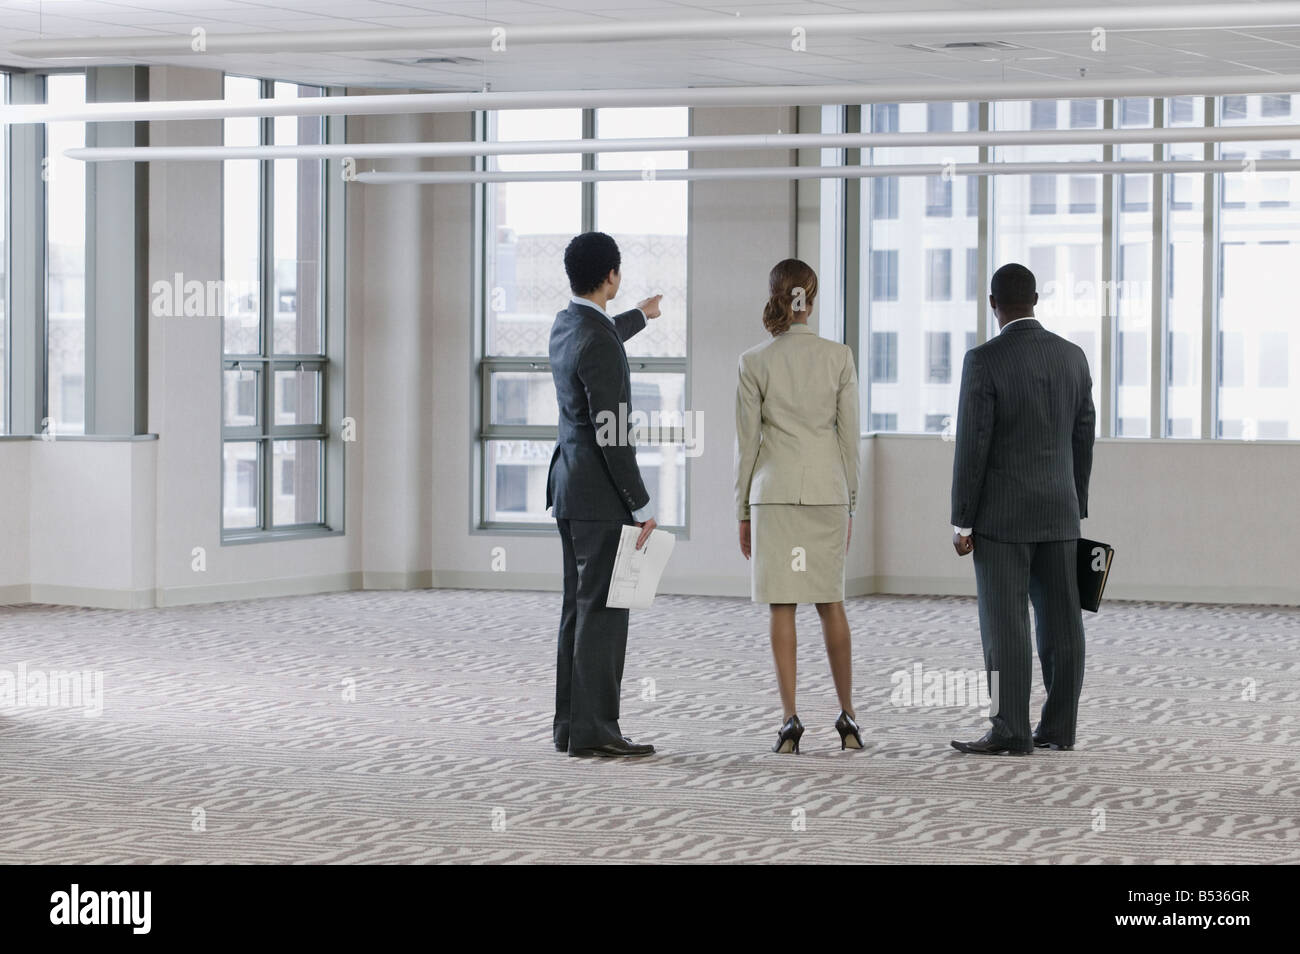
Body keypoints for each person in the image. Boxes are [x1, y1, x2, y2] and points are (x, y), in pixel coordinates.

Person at [949, 262, 1095, 755]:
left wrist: (962, 519)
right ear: (1036, 300)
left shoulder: (983, 360)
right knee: (1062, 622)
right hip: (1060, 511)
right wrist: (1075, 500)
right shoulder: (1073, 358)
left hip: (1001, 519)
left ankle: (1011, 729)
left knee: (1005, 624)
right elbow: (1083, 436)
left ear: (993, 305)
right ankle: (1059, 729)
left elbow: (973, 446)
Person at [734, 258, 863, 755]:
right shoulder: (839, 357)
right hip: (827, 491)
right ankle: (848, 718)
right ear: (811, 298)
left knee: (782, 606)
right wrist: (850, 502)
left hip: (774, 493)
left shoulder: (754, 361)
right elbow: (848, 440)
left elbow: (746, 446)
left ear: (776, 296)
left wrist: (742, 512)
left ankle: (789, 722)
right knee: (831, 602)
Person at [546, 231, 664, 759]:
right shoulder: (597, 342)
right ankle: (597, 731)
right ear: (611, 275)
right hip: (599, 499)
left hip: (569, 491)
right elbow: (612, 434)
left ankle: (571, 725)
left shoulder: (567, 324)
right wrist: (641, 506)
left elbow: (604, 335)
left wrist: (640, 315)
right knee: (605, 613)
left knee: (579, 609)